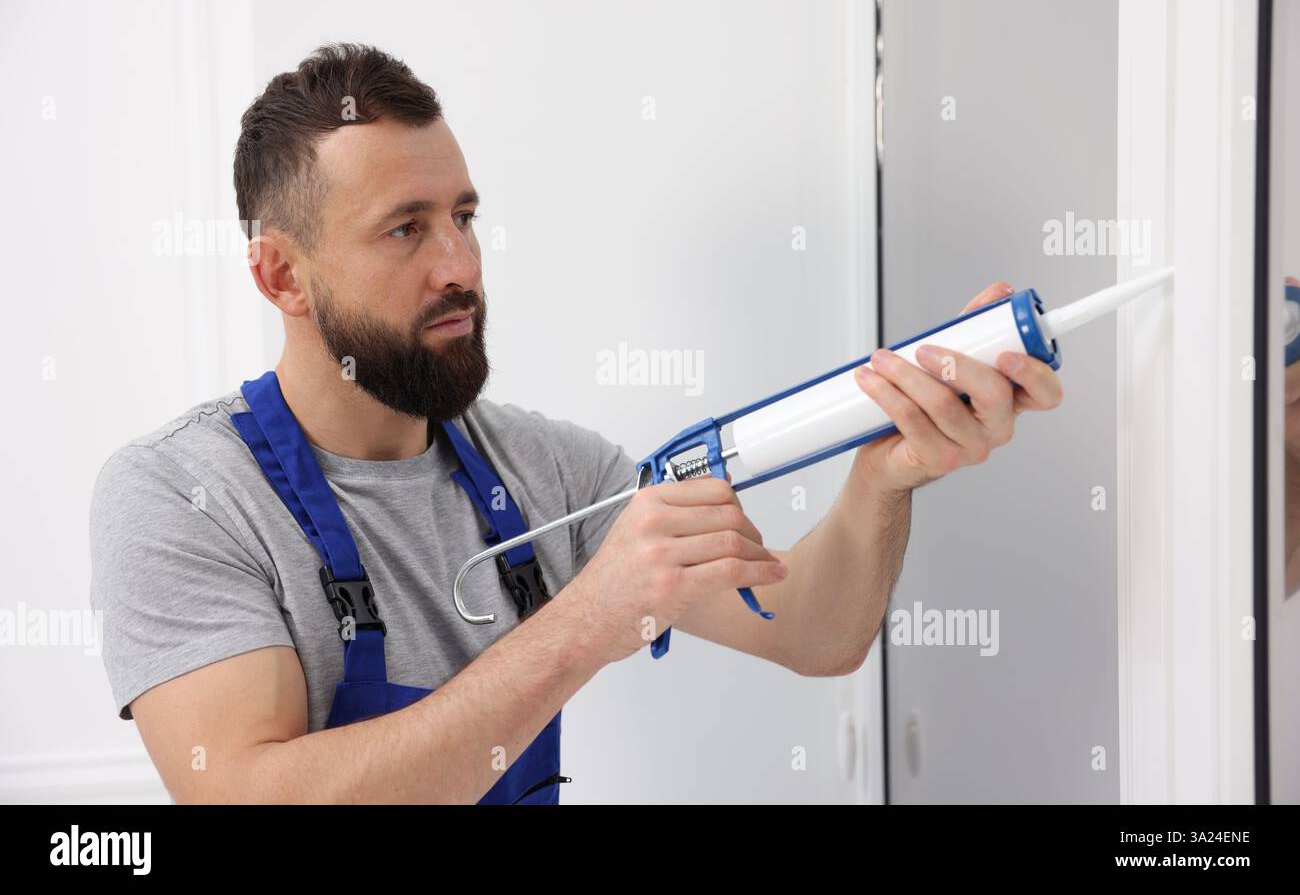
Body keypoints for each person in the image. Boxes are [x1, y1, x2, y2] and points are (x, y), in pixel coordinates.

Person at [89, 43, 1064, 804]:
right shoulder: (183, 496)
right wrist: (587, 621)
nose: (459, 266)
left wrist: (882, 482)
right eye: (405, 228)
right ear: (279, 275)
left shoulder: (542, 472)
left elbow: (811, 633)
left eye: (463, 217)